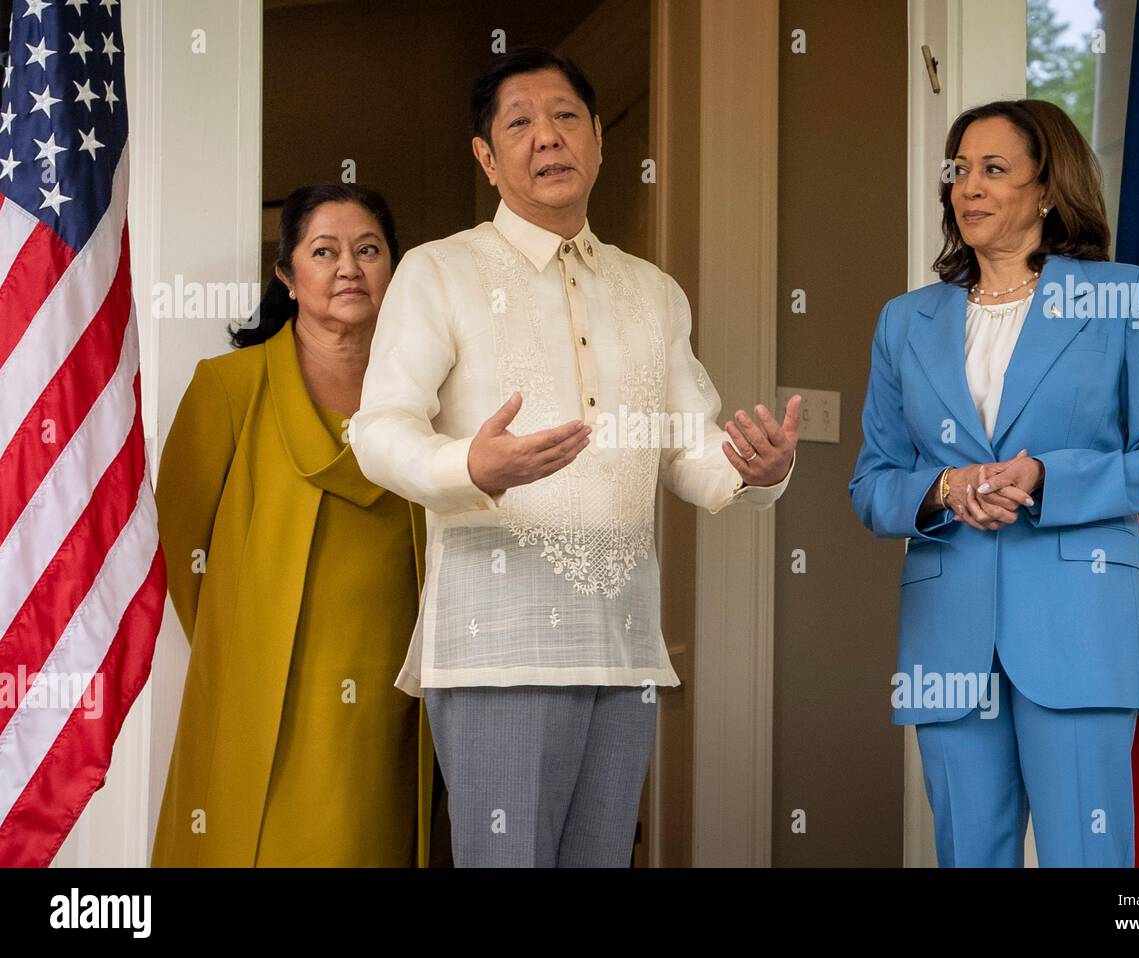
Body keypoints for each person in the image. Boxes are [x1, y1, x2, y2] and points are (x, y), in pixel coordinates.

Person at [349, 47, 799, 868]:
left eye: (565, 117)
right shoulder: (439, 271)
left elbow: (689, 451)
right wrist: (470, 470)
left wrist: (755, 468)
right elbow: (377, 431)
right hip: (496, 646)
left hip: (626, 646)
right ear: (486, 158)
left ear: (599, 137)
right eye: (518, 123)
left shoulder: (652, 290)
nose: (546, 137)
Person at [848, 100, 1139, 867]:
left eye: (994, 169)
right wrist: (943, 488)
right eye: (958, 171)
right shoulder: (904, 321)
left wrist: (1048, 476)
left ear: (1047, 187)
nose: (968, 187)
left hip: (1084, 630)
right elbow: (872, 484)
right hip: (948, 639)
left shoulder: (1120, 297)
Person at [152, 185, 439, 866]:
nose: (350, 267)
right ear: (287, 275)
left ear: (394, 269)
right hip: (264, 694)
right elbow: (180, 547)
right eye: (324, 250)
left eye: (369, 249)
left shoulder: (434, 396)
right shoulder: (227, 386)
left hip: (393, 694)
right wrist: (246, 647)